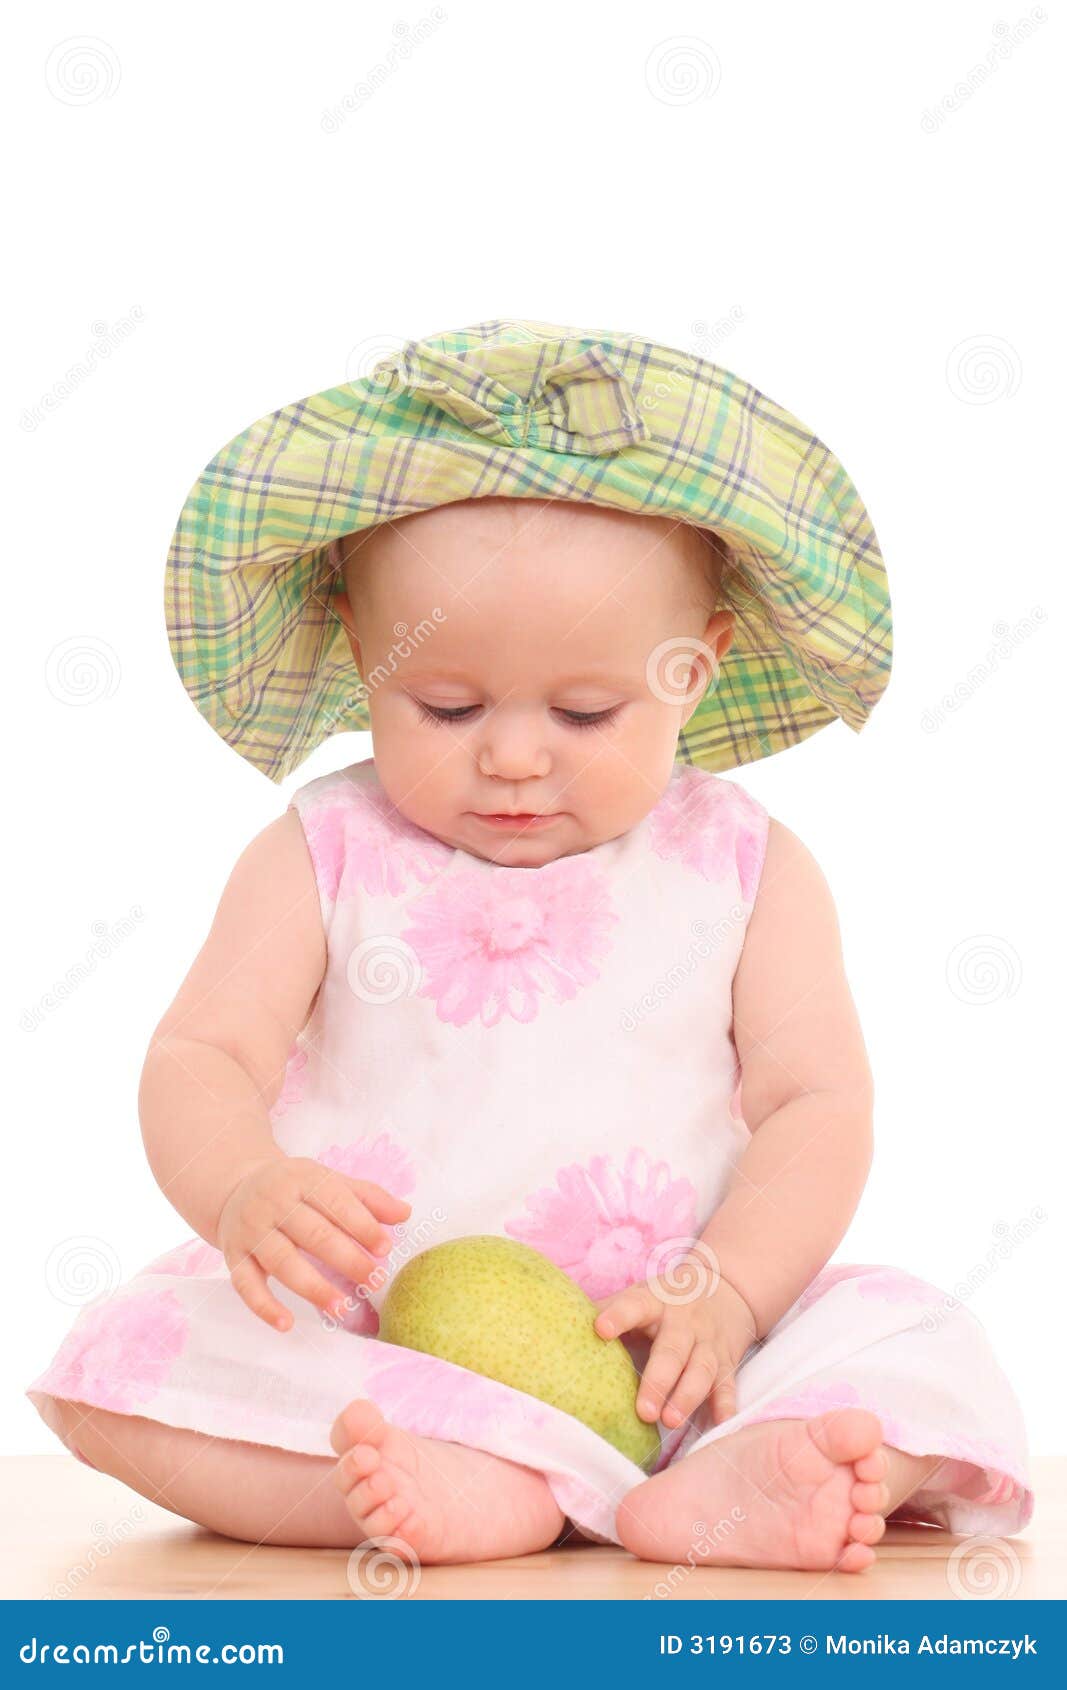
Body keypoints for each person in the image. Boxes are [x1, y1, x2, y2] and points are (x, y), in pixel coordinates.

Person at [26, 319, 1033, 1571]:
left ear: (695, 668)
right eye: (444, 705)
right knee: (118, 1364)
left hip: (679, 1358)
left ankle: (733, 1478)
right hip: (385, 1347)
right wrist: (240, 1186)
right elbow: (202, 1052)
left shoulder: (743, 866)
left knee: (913, 1335)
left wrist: (730, 1288)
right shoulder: (324, 848)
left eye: (584, 709)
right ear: (357, 647)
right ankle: (468, 1478)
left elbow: (814, 1101)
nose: (510, 754)